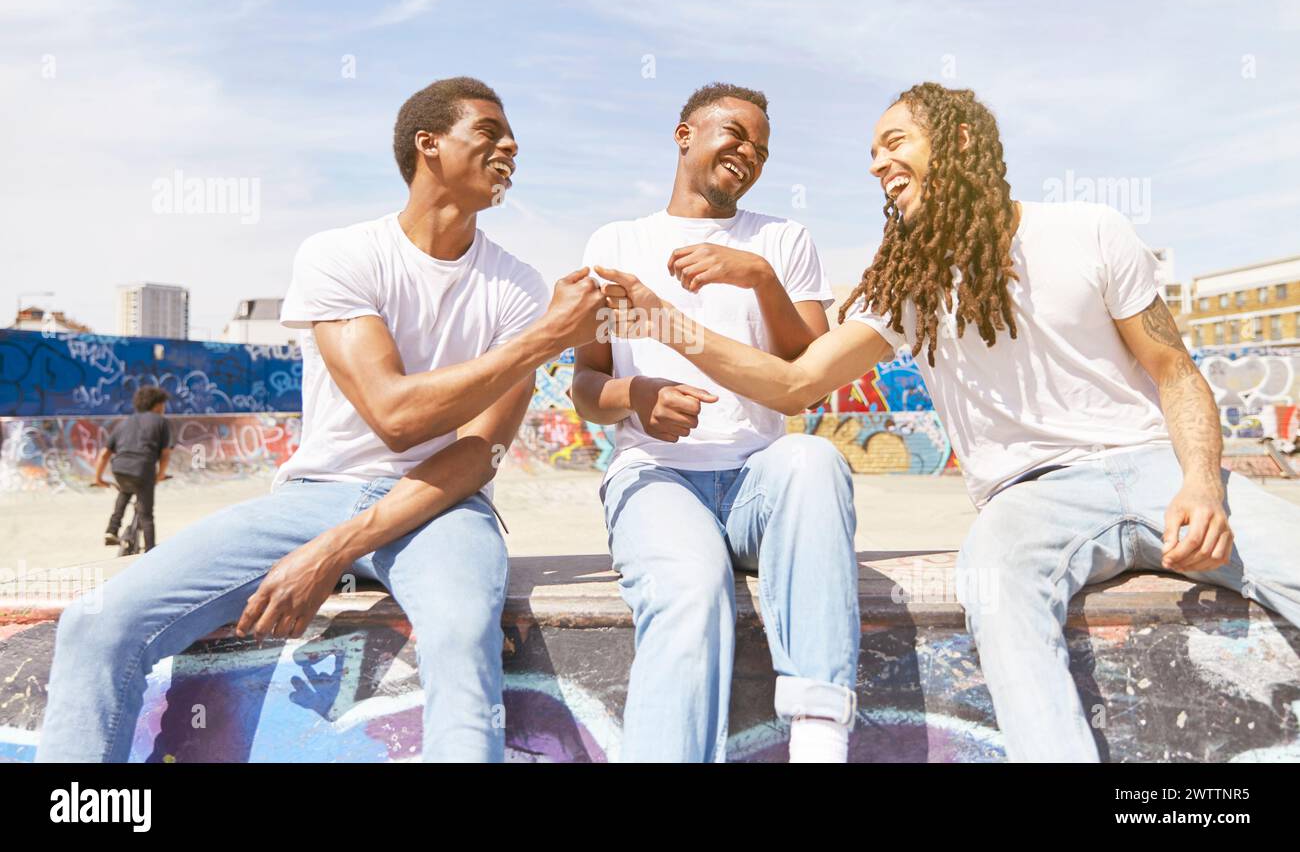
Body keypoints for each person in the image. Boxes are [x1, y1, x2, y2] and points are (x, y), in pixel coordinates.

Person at [595, 81, 1300, 762]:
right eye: (872, 152)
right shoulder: (909, 284)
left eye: (893, 141)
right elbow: (794, 383)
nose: (877, 163)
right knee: (996, 599)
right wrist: (666, 325)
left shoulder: (1090, 229)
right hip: (1026, 499)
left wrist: (1202, 483)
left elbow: (1175, 369)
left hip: (1157, 466)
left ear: (959, 141)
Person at [37, 76, 604, 763]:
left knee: (461, 642)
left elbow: (477, 454)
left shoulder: (515, 287)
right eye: (488, 131)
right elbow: (393, 414)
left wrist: (335, 551)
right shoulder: (341, 254)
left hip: (442, 505)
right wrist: (544, 341)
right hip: (316, 495)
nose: (510, 144)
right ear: (428, 145)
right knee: (100, 625)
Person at [572, 83, 860, 763]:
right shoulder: (617, 243)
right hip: (657, 475)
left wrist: (760, 278)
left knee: (813, 461)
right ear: (684, 135)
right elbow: (585, 386)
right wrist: (635, 395)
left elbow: (805, 375)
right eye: (734, 134)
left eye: (761, 147)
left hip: (760, 480)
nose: (749, 153)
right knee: (692, 590)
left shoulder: (781, 242)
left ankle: (819, 733)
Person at [93, 386, 172, 552]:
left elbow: (105, 453)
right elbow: (165, 453)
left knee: (125, 490)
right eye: (163, 404)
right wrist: (160, 475)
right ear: (157, 405)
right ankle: (151, 551)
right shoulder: (161, 422)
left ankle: (112, 530)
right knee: (146, 515)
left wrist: (98, 478)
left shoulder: (125, 422)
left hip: (119, 468)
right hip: (143, 469)